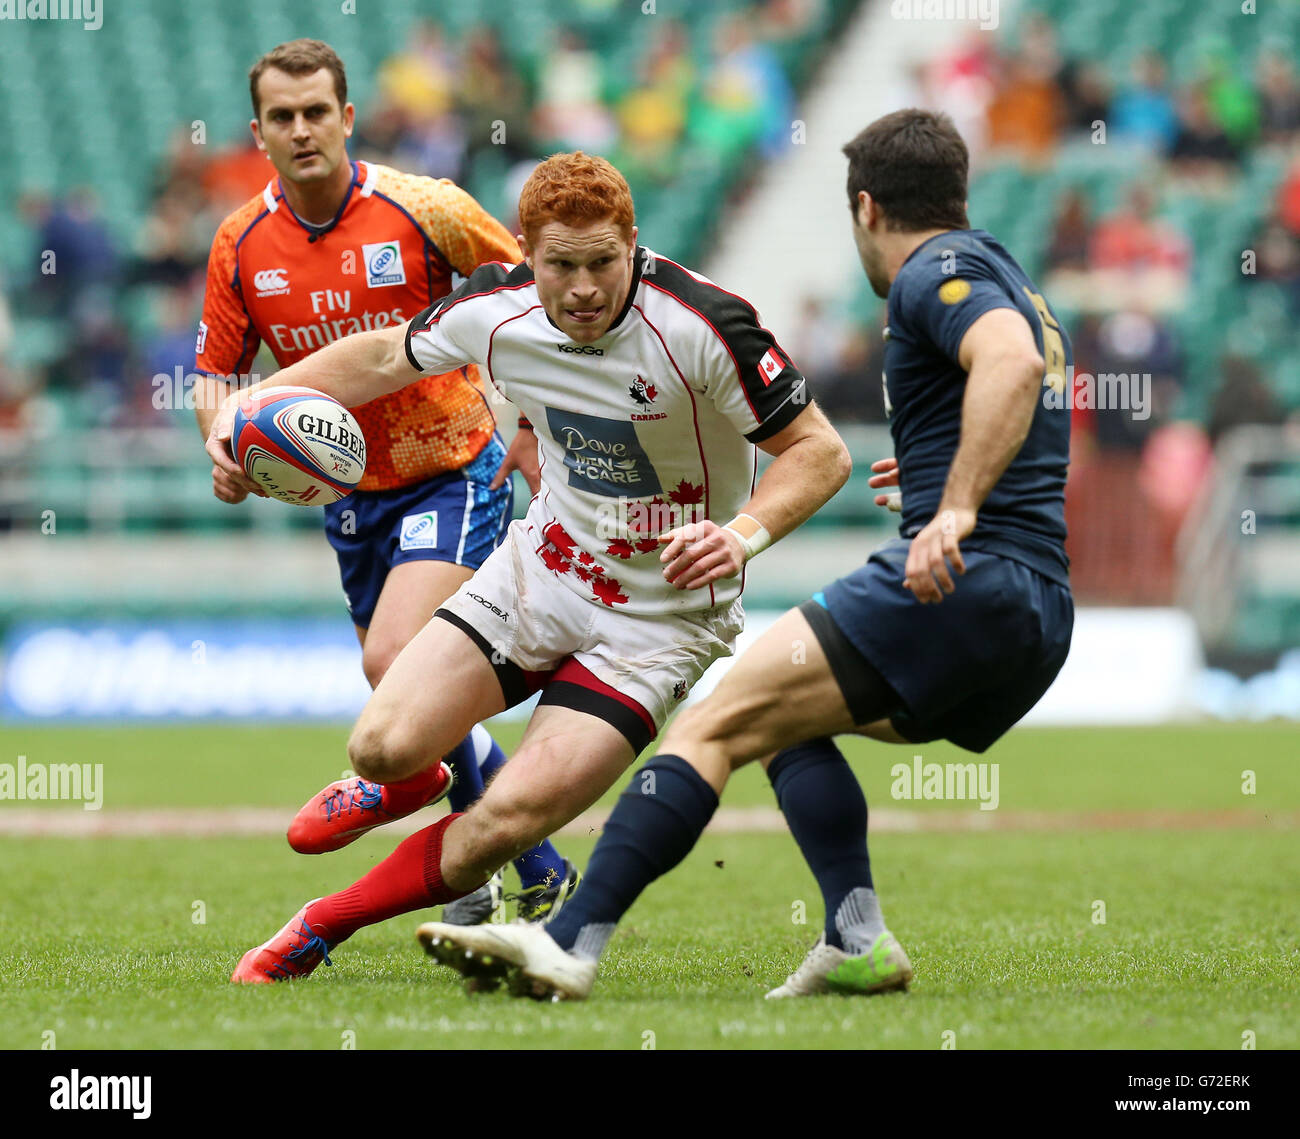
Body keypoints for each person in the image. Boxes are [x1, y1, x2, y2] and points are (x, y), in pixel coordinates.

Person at [417, 108, 1075, 1002]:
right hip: (1040, 606)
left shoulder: (932, 271)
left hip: (968, 577)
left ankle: (567, 941)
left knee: (714, 723)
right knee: (783, 724)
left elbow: (1007, 362)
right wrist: (936, 471)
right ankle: (857, 937)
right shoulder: (1002, 266)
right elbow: (1019, 375)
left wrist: (954, 508)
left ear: (867, 209)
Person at [207, 150, 852, 984]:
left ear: (633, 243)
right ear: (525, 252)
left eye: (601, 263)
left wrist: (743, 534)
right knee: (378, 747)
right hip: (541, 573)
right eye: (560, 265)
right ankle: (413, 775)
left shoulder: (706, 325)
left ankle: (320, 925)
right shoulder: (496, 307)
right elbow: (375, 359)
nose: (582, 287)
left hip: (658, 625)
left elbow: (821, 452)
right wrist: (248, 407)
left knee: (503, 823)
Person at [193, 39, 573, 940]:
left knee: (391, 664)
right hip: (351, 498)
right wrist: (219, 437)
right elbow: (215, 369)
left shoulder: (426, 209)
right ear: (259, 133)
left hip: (454, 465)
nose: (301, 130)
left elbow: (536, 287)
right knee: (415, 700)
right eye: (281, 118)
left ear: (348, 116)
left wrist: (531, 421)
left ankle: (440, 801)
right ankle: (523, 866)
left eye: (316, 111)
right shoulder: (240, 242)